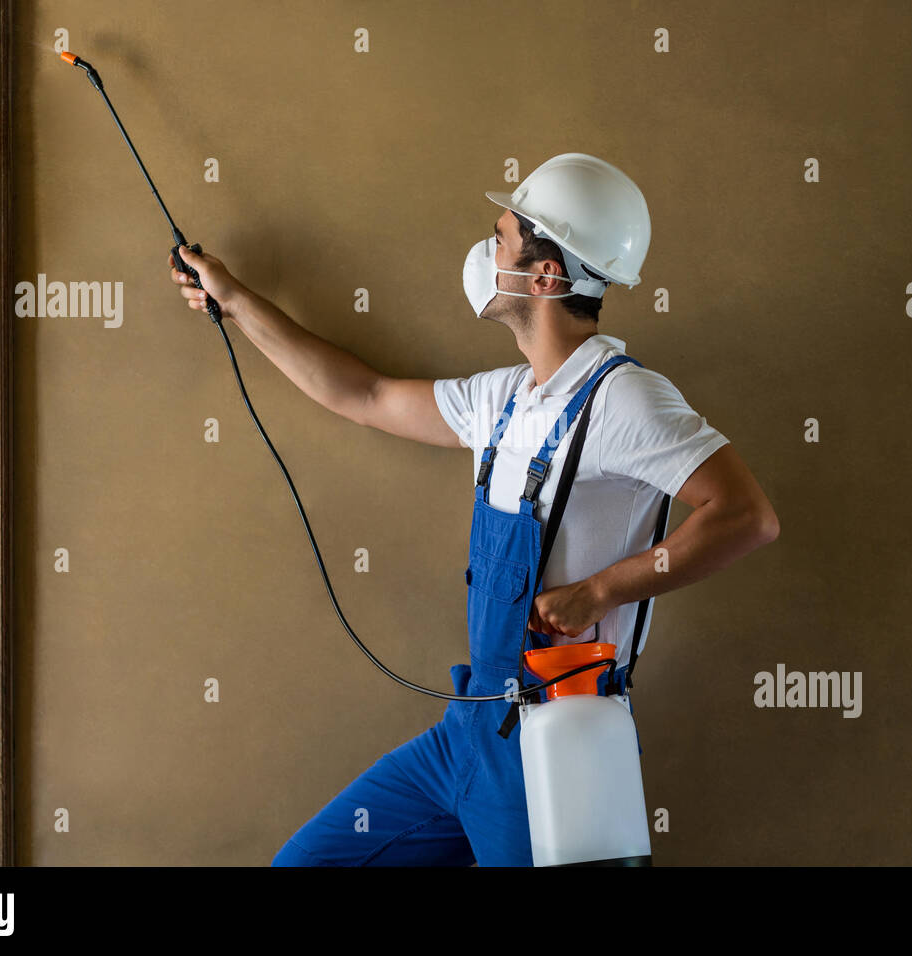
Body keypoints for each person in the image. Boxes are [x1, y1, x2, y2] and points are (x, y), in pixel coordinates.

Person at [167, 153, 779, 866]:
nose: (486, 252)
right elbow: (361, 396)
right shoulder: (507, 396)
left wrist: (600, 592)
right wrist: (235, 301)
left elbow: (745, 515)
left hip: (557, 738)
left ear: (545, 276)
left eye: (501, 237)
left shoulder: (623, 400)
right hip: (473, 725)